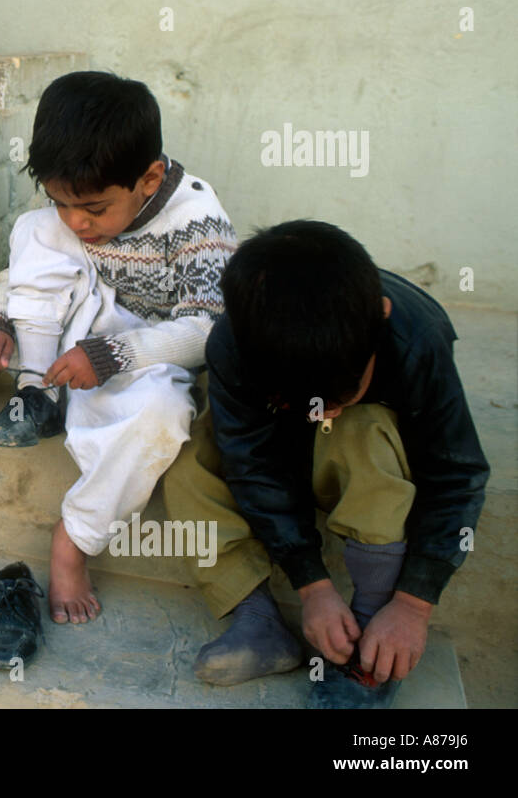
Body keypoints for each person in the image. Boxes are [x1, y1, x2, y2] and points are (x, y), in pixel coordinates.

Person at [162, 220, 488, 707]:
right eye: (301, 404)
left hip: (361, 464)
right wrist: (311, 585)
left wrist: (413, 605)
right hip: (283, 454)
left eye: (339, 395)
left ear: (381, 318)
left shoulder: (418, 340)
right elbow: (250, 463)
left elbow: (455, 476)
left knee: (356, 428)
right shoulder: (233, 342)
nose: (323, 412)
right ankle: (258, 622)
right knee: (186, 461)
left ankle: (369, 641)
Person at [0, 71, 236, 667]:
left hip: (152, 347)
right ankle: (33, 392)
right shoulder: (68, 213)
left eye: (92, 208)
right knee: (33, 229)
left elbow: (207, 331)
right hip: (78, 333)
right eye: (63, 200)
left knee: (165, 417)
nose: (76, 222)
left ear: (146, 179)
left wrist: (114, 356)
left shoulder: (198, 219)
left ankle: (74, 541)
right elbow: (28, 268)